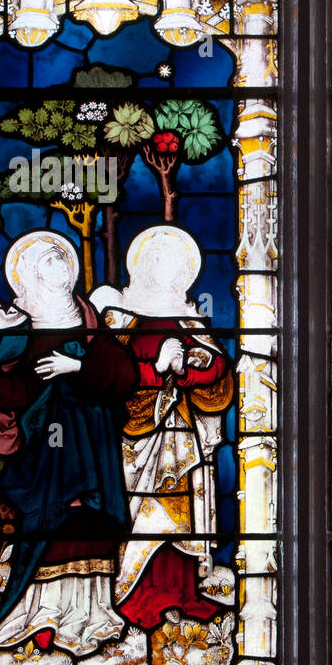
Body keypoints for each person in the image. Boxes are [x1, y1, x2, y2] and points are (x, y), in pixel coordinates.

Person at [0, 231, 138, 657]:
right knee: (48, 520)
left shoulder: (87, 315)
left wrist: (77, 366)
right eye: (50, 260)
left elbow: (123, 374)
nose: (61, 266)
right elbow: (20, 391)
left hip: (93, 441)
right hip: (48, 446)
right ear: (32, 274)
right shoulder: (25, 323)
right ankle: (41, 613)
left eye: (63, 258)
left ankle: (93, 614)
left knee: (89, 520)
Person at [90, 226, 235, 631]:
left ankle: (182, 593)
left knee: (180, 515)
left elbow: (220, 372)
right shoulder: (119, 318)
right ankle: (133, 596)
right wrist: (154, 370)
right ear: (143, 268)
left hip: (180, 432)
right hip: (133, 434)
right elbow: (105, 377)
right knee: (139, 513)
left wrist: (196, 366)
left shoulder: (189, 318)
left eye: (175, 267)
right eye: (159, 264)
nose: (167, 273)